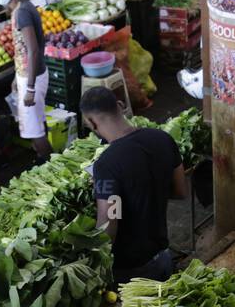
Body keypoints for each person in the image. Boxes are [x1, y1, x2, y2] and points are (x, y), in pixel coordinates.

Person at [81, 86, 188, 284]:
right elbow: (180, 191)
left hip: (131, 273)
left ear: (91, 122)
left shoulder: (106, 165)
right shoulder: (163, 138)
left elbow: (108, 227)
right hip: (162, 257)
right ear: (121, 106)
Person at [0, 0, 51, 161]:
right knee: (36, 124)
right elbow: (24, 51)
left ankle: (48, 162)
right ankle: (43, 158)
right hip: (27, 75)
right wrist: (18, 78)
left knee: (35, 130)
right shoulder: (20, 8)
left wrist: (31, 87)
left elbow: (33, 50)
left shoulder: (22, 12)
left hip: (33, 77)